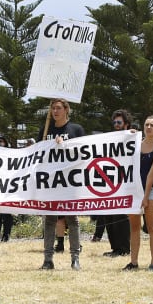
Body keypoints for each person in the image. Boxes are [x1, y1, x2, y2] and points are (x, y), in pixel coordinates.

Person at [38, 98, 85, 270]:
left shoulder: (76, 129)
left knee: (72, 219)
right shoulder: (45, 130)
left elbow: (84, 152)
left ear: (66, 110)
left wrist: (64, 146)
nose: (55, 111)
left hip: (70, 181)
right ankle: (48, 259)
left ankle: (75, 258)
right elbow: (38, 154)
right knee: (49, 220)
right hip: (51, 182)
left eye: (58, 108)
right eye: (53, 108)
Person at [124, 115, 153, 271]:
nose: (149, 127)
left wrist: (145, 197)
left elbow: (151, 175)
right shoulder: (135, 144)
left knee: (151, 226)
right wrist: (128, 135)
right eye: (147, 124)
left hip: (151, 190)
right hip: (134, 190)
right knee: (134, 227)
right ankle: (133, 262)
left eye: (152, 125)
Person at [103, 109, 133, 257]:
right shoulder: (110, 139)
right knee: (108, 217)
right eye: (114, 122)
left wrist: (133, 135)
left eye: (119, 122)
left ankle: (124, 248)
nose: (116, 124)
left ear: (126, 124)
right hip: (109, 182)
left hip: (125, 183)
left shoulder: (132, 137)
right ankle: (115, 247)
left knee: (120, 217)